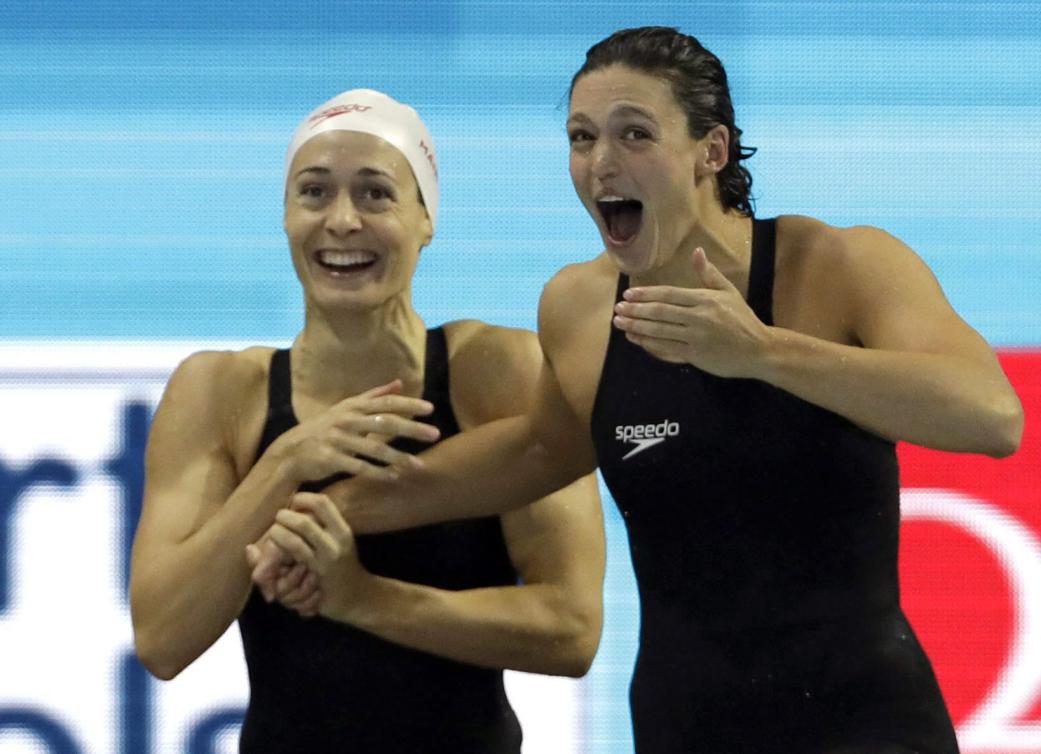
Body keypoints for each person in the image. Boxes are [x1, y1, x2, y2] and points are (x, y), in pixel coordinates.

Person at [253, 28, 1025, 754]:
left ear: (710, 151)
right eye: (581, 138)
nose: (600, 163)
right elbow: (536, 451)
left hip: (863, 718)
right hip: (683, 719)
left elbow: (988, 415)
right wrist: (328, 506)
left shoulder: (836, 266)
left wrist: (761, 352)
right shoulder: (579, 308)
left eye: (633, 134)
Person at [129, 88, 605, 753]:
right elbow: (162, 639)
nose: (342, 221)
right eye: (314, 192)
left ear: (425, 219)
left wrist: (363, 598)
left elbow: (570, 629)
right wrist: (284, 466)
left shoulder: (494, 371)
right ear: (286, 216)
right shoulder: (219, 392)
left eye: (376, 194)